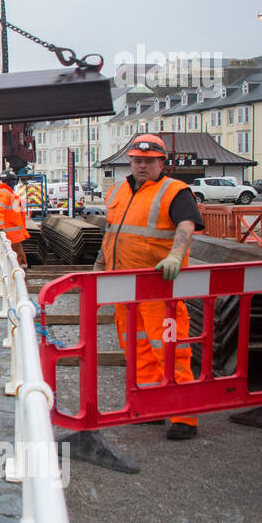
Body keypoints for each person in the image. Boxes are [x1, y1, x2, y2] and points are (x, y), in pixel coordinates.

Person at [97, 134, 205, 440]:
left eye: (149, 161)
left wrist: (175, 255)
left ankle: (184, 416)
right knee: (138, 350)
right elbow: (111, 232)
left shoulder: (175, 191)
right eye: (137, 160)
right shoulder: (119, 191)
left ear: (162, 163)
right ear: (130, 161)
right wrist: (99, 267)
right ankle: (150, 407)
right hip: (124, 287)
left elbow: (186, 224)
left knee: (171, 351)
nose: (142, 165)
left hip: (160, 290)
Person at [0, 170, 29, 268]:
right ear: (12, 182)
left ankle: (19, 278)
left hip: (15, 235)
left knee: (19, 259)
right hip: (11, 235)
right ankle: (18, 280)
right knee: (17, 260)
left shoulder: (10, 194)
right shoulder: (4, 194)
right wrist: (0, 228)